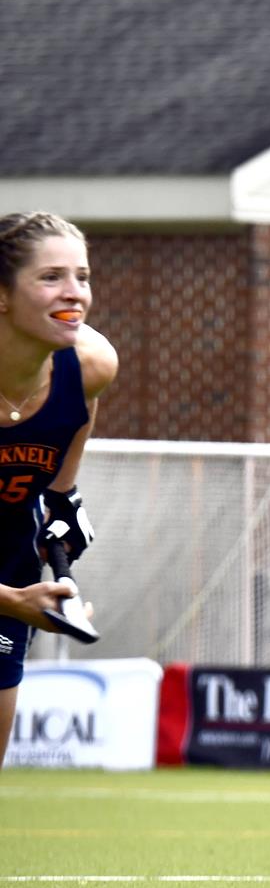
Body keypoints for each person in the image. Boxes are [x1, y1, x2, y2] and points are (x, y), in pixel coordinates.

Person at [0, 212, 118, 766]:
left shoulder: (90, 366)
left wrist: (62, 497)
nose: (75, 293)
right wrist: (14, 603)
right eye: (50, 277)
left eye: (83, 276)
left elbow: (79, 411)